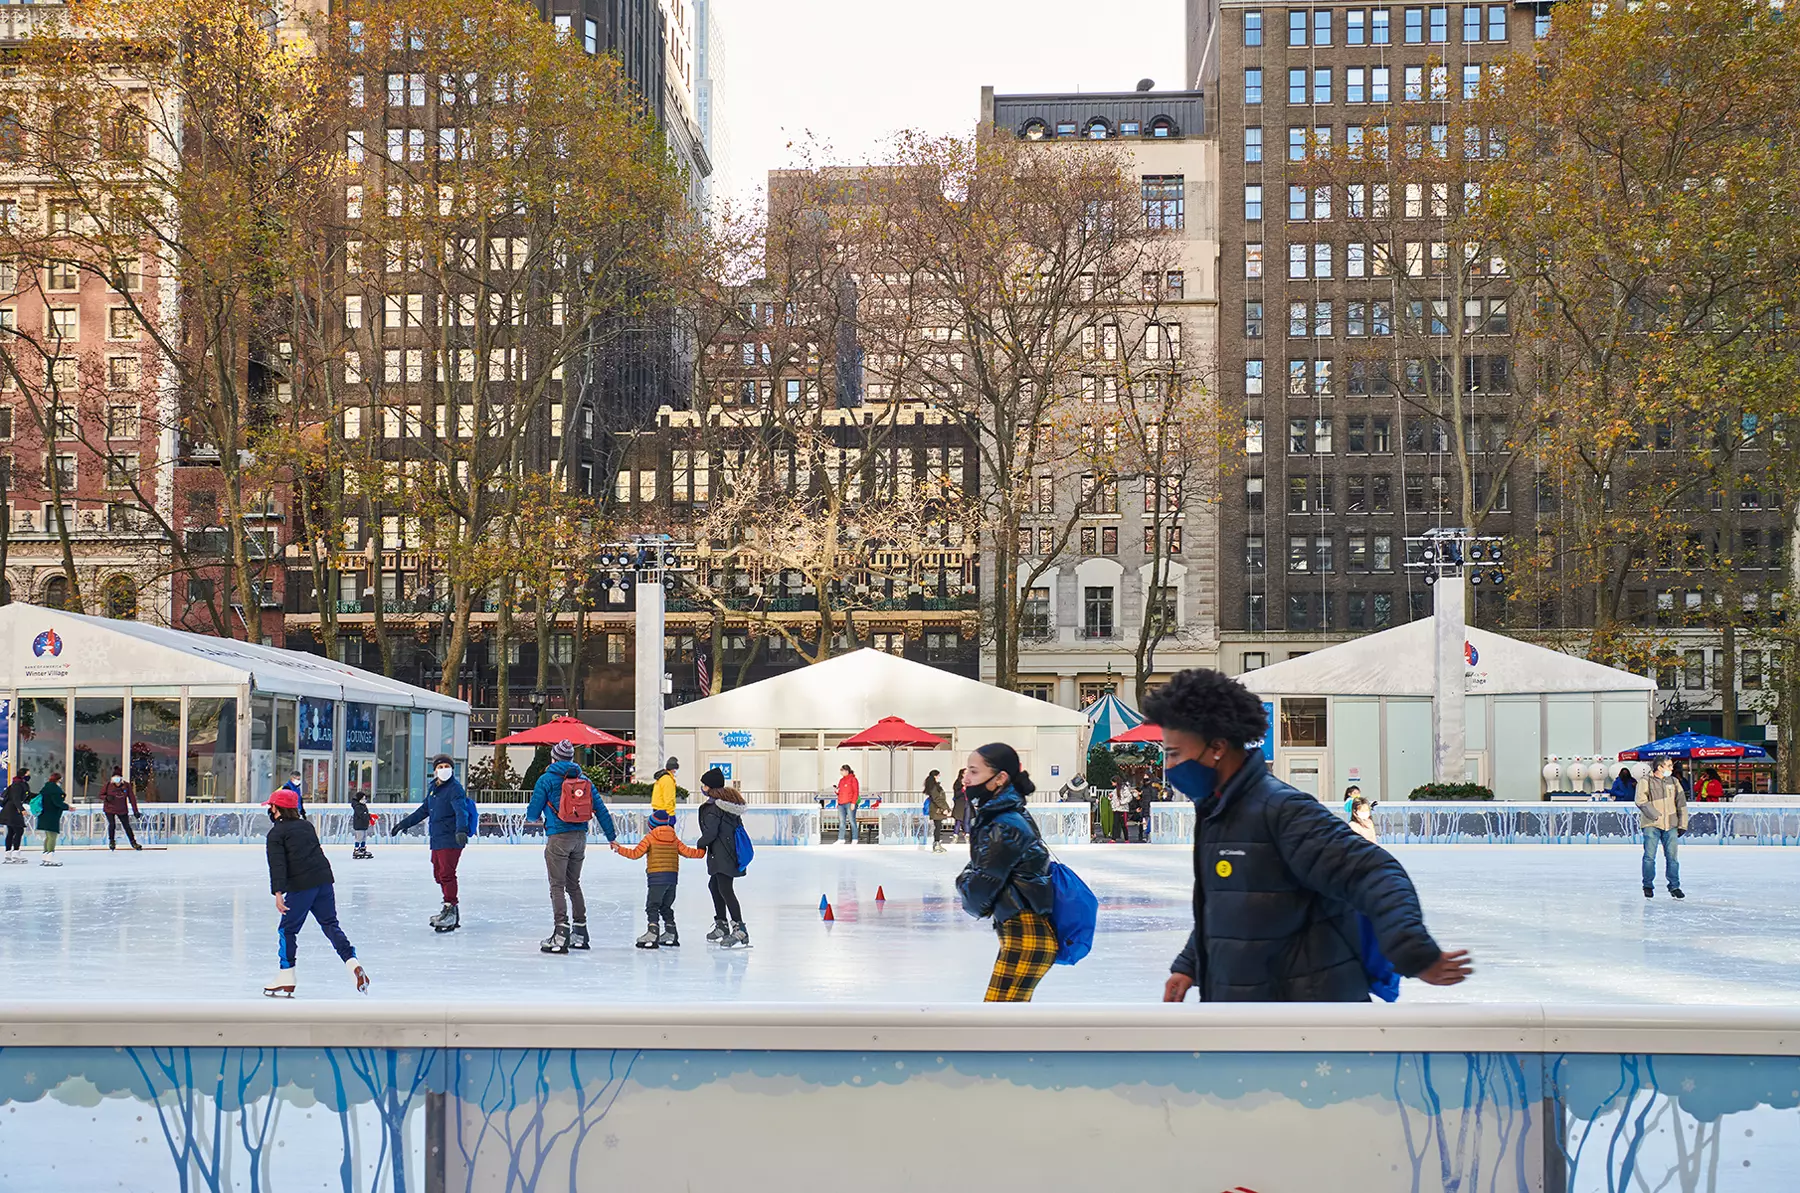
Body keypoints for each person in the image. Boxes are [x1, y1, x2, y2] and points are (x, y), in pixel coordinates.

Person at [1144, 669, 1473, 1002]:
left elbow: (1375, 873)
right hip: (1251, 1019)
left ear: (1217, 747)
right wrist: (1190, 964)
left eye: (1173, 754)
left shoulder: (1283, 810)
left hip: (1306, 1023)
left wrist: (1415, 954)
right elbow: (1231, 904)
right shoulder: (1218, 812)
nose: (1169, 767)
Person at [955, 743, 1057, 1002]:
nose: (966, 778)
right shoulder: (1004, 816)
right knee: (1004, 1028)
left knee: (997, 1028)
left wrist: (962, 881)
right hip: (1023, 936)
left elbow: (980, 891)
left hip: (1026, 937)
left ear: (1000, 778)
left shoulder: (1004, 824)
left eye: (974, 772)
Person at [263, 788, 369, 998]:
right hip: (323, 881)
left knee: (287, 930)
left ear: (277, 809)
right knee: (330, 925)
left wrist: (278, 893)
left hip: (302, 886)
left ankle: (286, 976)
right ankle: (353, 964)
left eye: (271, 806)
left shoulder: (276, 833)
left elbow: (278, 865)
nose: (270, 809)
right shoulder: (306, 826)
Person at [525, 740, 618, 954]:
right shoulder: (584, 780)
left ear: (554, 758)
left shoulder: (546, 779)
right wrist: (611, 837)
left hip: (558, 836)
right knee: (573, 884)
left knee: (557, 886)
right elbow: (601, 810)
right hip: (580, 838)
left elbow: (532, 812)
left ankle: (560, 933)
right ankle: (580, 932)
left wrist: (540, 816)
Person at [392, 754, 474, 932]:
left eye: (447, 766)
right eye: (440, 766)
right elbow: (423, 810)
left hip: (451, 837)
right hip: (437, 837)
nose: (444, 769)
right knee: (438, 872)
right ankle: (449, 907)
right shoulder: (434, 789)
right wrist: (404, 823)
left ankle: (451, 909)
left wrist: (461, 830)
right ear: (435, 770)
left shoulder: (455, 788)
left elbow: (461, 811)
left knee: (446, 873)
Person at [614, 806, 705, 948]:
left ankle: (653, 933)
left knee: (652, 906)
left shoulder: (650, 837)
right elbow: (688, 852)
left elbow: (635, 854)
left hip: (656, 878)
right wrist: (701, 851)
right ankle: (671, 932)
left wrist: (619, 849)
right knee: (666, 906)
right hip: (672, 878)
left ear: (651, 824)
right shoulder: (674, 837)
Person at [696, 767, 750, 947]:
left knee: (725, 889)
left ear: (709, 787)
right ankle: (722, 924)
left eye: (704, 785)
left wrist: (700, 844)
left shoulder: (713, 808)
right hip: (728, 852)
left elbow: (711, 832)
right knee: (715, 885)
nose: (702, 787)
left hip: (722, 854)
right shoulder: (728, 803)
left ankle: (739, 929)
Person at [1637, 756, 1687, 899]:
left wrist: (1682, 824)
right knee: (1649, 857)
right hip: (1651, 825)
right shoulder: (1645, 781)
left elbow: (1681, 803)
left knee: (1672, 858)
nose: (1672, 768)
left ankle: (1674, 886)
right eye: (1669, 766)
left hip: (1671, 825)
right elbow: (1641, 800)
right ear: (1660, 767)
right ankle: (1647, 885)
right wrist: (1656, 816)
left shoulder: (1674, 781)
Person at [100, 765, 143, 852]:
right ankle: (111, 841)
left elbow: (132, 798)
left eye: (118, 779)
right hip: (109, 809)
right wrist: (106, 797)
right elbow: (101, 795)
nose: (117, 782)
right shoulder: (108, 785)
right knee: (112, 824)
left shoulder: (126, 786)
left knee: (126, 826)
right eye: (115, 779)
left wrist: (135, 811)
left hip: (122, 809)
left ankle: (133, 842)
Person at [36, 772, 69, 867]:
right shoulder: (55, 790)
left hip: (44, 814)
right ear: (58, 780)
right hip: (52, 815)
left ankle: (45, 855)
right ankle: (50, 856)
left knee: (48, 836)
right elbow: (57, 802)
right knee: (52, 836)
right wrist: (67, 807)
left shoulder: (45, 788)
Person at [1, 768, 29, 862]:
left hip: (10, 810)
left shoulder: (17, 784)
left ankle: (8, 853)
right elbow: (16, 799)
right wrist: (21, 809)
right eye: (28, 774)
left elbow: (26, 795)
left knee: (11, 831)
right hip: (13, 810)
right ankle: (15, 853)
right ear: (24, 775)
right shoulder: (17, 785)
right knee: (19, 830)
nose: (29, 776)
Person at [924, 769, 950, 852]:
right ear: (935, 776)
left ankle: (937, 843)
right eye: (938, 776)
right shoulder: (934, 787)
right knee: (938, 827)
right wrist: (944, 808)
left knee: (938, 826)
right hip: (937, 809)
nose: (939, 777)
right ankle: (936, 844)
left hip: (937, 809)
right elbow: (937, 799)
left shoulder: (935, 786)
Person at [835, 764, 860, 845]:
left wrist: (853, 803)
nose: (841, 772)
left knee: (852, 821)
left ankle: (855, 838)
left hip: (849, 803)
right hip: (841, 803)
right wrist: (837, 791)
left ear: (846, 771)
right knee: (842, 821)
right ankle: (841, 838)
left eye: (842, 770)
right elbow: (840, 792)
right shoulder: (841, 781)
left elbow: (856, 792)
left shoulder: (853, 779)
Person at [350, 788, 374, 859]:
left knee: (364, 837)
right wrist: (369, 816)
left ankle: (362, 848)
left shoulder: (363, 805)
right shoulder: (358, 807)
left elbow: (365, 814)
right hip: (359, 825)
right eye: (363, 798)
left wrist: (370, 817)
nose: (365, 800)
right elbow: (362, 815)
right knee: (359, 837)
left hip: (363, 825)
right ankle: (356, 849)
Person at [951, 773, 970, 844]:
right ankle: (955, 837)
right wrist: (963, 789)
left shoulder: (969, 782)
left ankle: (967, 836)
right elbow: (956, 794)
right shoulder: (957, 783)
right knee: (958, 821)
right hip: (960, 804)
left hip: (967, 803)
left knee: (967, 821)